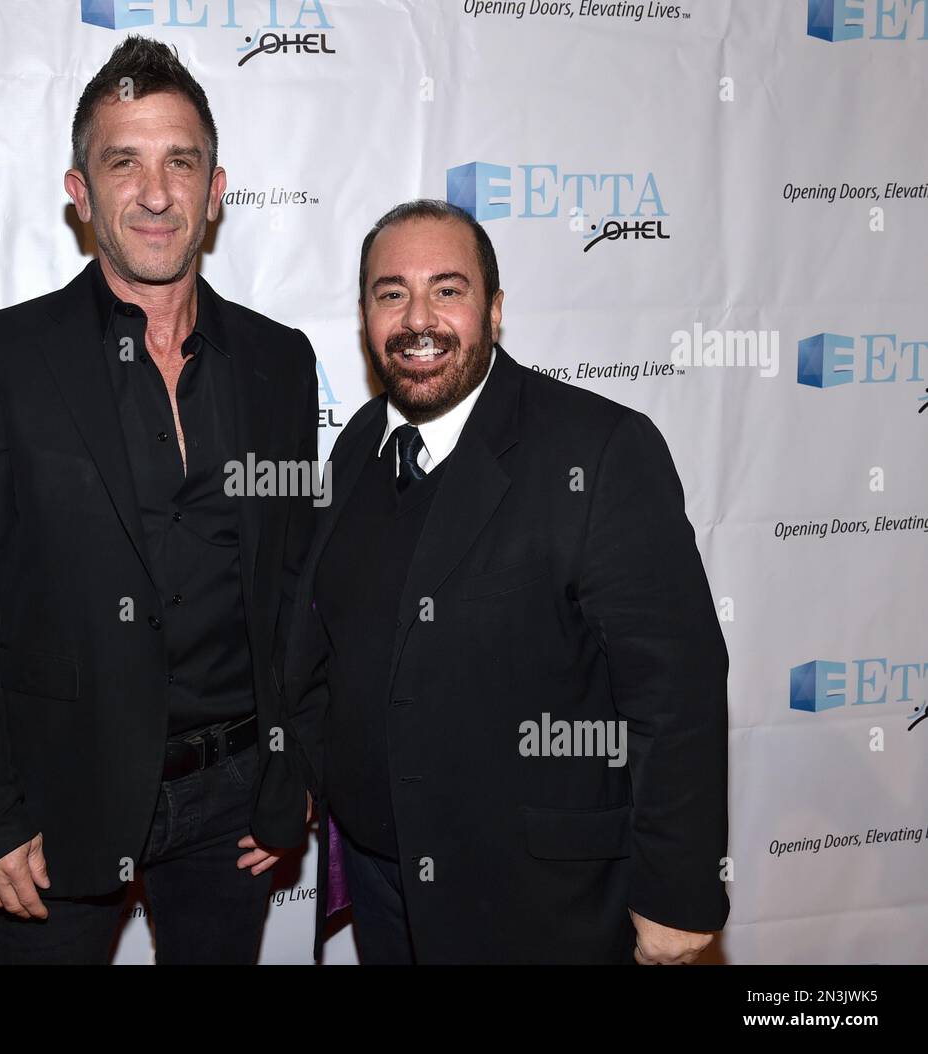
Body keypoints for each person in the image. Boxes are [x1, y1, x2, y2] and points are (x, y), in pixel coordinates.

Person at [0, 35, 317, 964]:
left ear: (216, 191)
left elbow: (300, 584)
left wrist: (294, 767)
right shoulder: (6, 358)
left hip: (233, 801)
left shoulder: (279, 362)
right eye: (123, 161)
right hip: (58, 804)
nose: (154, 191)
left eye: (181, 162)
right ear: (79, 189)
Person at [279, 199, 730, 964]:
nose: (418, 318)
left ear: (494, 309)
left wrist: (676, 894)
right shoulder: (358, 445)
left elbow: (676, 691)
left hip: (536, 896)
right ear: (365, 316)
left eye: (447, 290)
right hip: (382, 884)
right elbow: (333, 638)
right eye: (392, 293)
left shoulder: (600, 450)